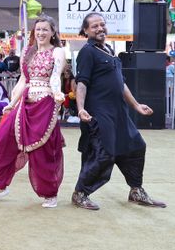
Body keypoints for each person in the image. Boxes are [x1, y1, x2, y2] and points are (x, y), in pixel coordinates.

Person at [71, 13, 166, 211]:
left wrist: (136, 105)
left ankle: (136, 191)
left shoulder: (109, 50)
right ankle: (80, 193)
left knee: (135, 146)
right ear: (86, 30)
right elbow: (81, 83)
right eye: (94, 26)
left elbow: (120, 83)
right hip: (99, 112)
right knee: (103, 152)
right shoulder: (87, 52)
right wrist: (80, 109)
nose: (100, 28)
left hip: (119, 112)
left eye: (102, 24)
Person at [0, 16, 66, 208]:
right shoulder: (27, 52)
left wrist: (57, 93)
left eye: (45, 29)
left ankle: (50, 193)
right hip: (25, 103)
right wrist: (12, 103)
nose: (41, 33)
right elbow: (23, 81)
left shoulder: (58, 51)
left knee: (42, 152)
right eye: (38, 29)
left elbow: (55, 77)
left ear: (53, 32)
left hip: (46, 104)